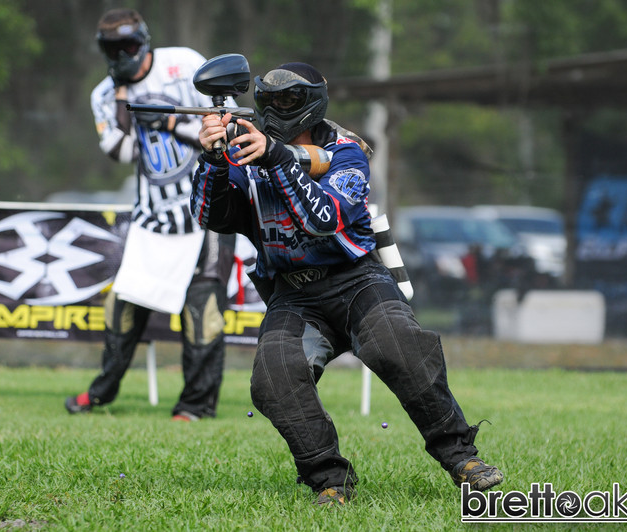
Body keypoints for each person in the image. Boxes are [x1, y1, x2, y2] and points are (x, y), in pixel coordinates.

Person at [192, 62, 503, 505]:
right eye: (270, 100)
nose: (278, 108)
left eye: (289, 100)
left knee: (399, 345)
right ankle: (330, 480)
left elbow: (324, 219)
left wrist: (275, 157)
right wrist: (214, 159)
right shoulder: (249, 153)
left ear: (313, 103)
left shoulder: (347, 153)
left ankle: (461, 459)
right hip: (293, 295)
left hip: (357, 281)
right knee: (272, 378)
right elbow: (210, 216)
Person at [65, 8, 236, 421]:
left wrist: (171, 121)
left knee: (202, 314)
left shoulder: (184, 65)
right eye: (113, 48)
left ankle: (195, 406)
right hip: (152, 218)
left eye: (128, 45)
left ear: (144, 41)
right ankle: (102, 392)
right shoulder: (104, 94)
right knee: (121, 309)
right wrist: (126, 102)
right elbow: (121, 153)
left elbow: (228, 125)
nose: (123, 54)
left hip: (205, 210)